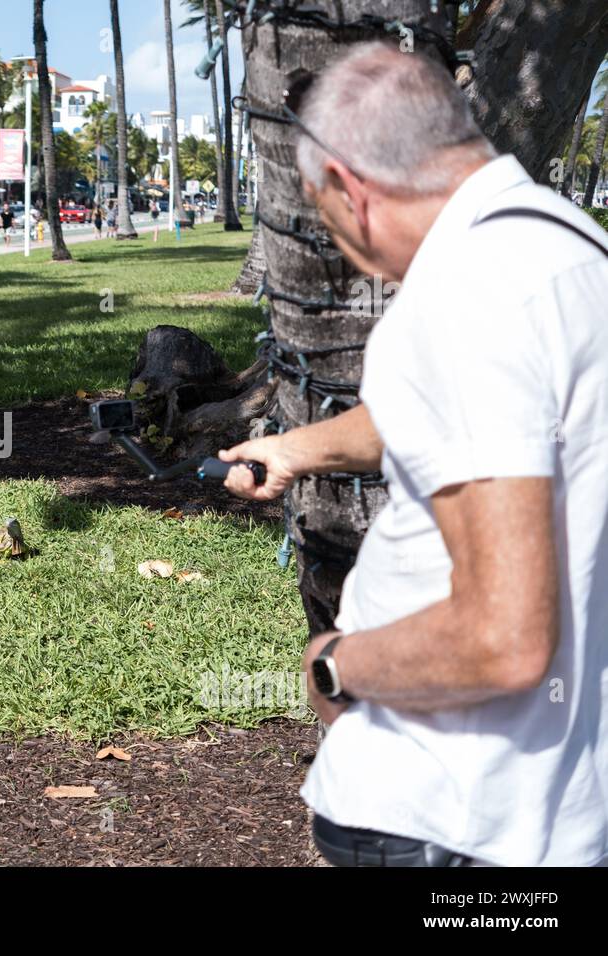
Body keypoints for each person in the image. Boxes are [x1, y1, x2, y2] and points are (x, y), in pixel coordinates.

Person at [218, 42, 608, 867]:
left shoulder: (461, 297)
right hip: (558, 812)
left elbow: (503, 639)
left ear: (350, 193)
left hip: (442, 818)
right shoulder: (574, 253)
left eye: (331, 229)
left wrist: (337, 666)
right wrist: (292, 450)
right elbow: (453, 420)